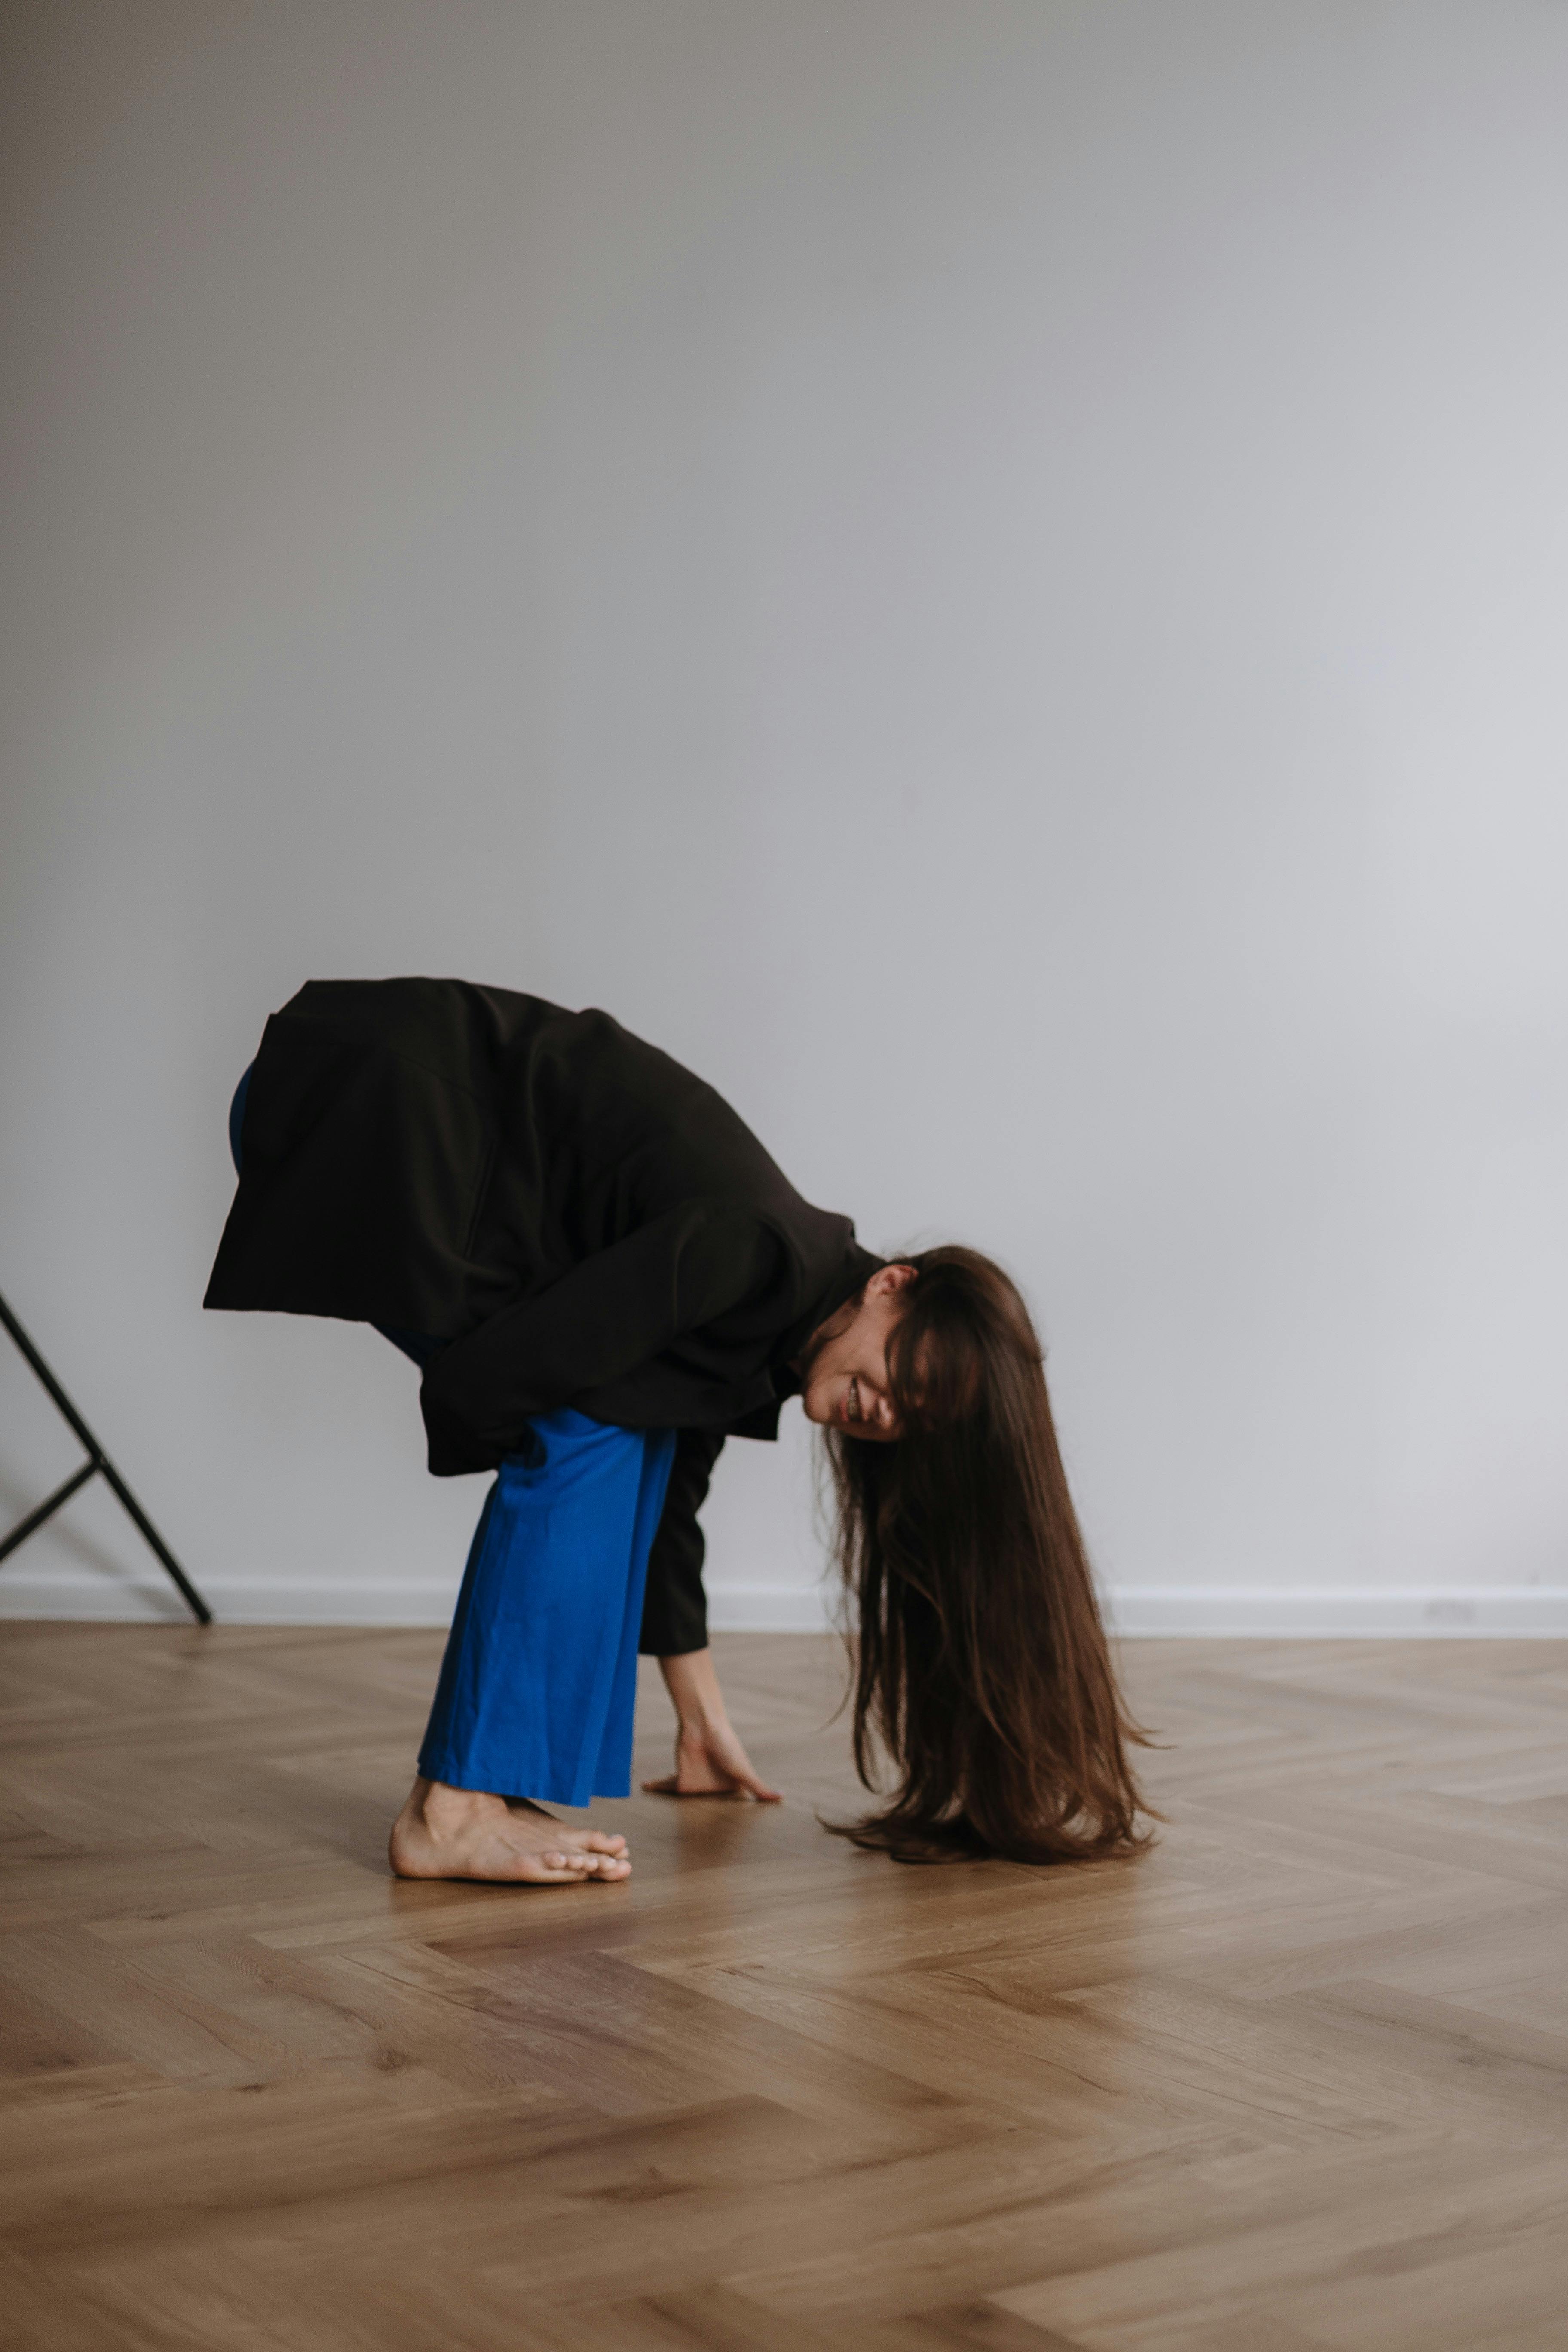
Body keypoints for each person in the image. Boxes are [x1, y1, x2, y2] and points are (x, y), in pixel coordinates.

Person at [208, 977, 1148, 1883]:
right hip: (356, 1094)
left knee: (623, 1436)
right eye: (907, 1376)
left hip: (378, 1103)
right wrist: (532, 1457)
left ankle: (498, 1791)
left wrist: (699, 1722)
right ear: (891, 1285)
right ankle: (449, 1811)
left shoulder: (772, 1328)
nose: (886, 1412)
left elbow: (671, 1516)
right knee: (590, 1435)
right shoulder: (754, 1253)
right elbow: (516, 1378)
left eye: (917, 1419)